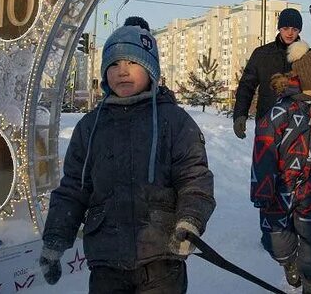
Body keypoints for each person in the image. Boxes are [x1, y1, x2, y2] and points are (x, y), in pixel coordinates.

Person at [40, 17, 215, 293]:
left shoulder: (175, 121)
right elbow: (74, 188)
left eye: (132, 62)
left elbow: (194, 177)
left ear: (151, 69)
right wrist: (54, 240)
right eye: (114, 64)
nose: (122, 71)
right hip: (106, 261)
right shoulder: (90, 127)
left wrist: (190, 220)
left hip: (161, 258)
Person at [252, 41, 311, 294]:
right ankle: (288, 262)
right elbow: (263, 153)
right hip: (279, 190)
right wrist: (263, 193)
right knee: (275, 240)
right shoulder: (280, 112)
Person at [232, 8, 304, 139]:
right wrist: (240, 115)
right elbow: (246, 86)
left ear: (299, 31)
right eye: (286, 28)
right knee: (265, 159)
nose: (290, 33)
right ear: (279, 28)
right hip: (267, 121)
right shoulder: (262, 54)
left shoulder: (306, 56)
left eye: (294, 29)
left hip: (297, 124)